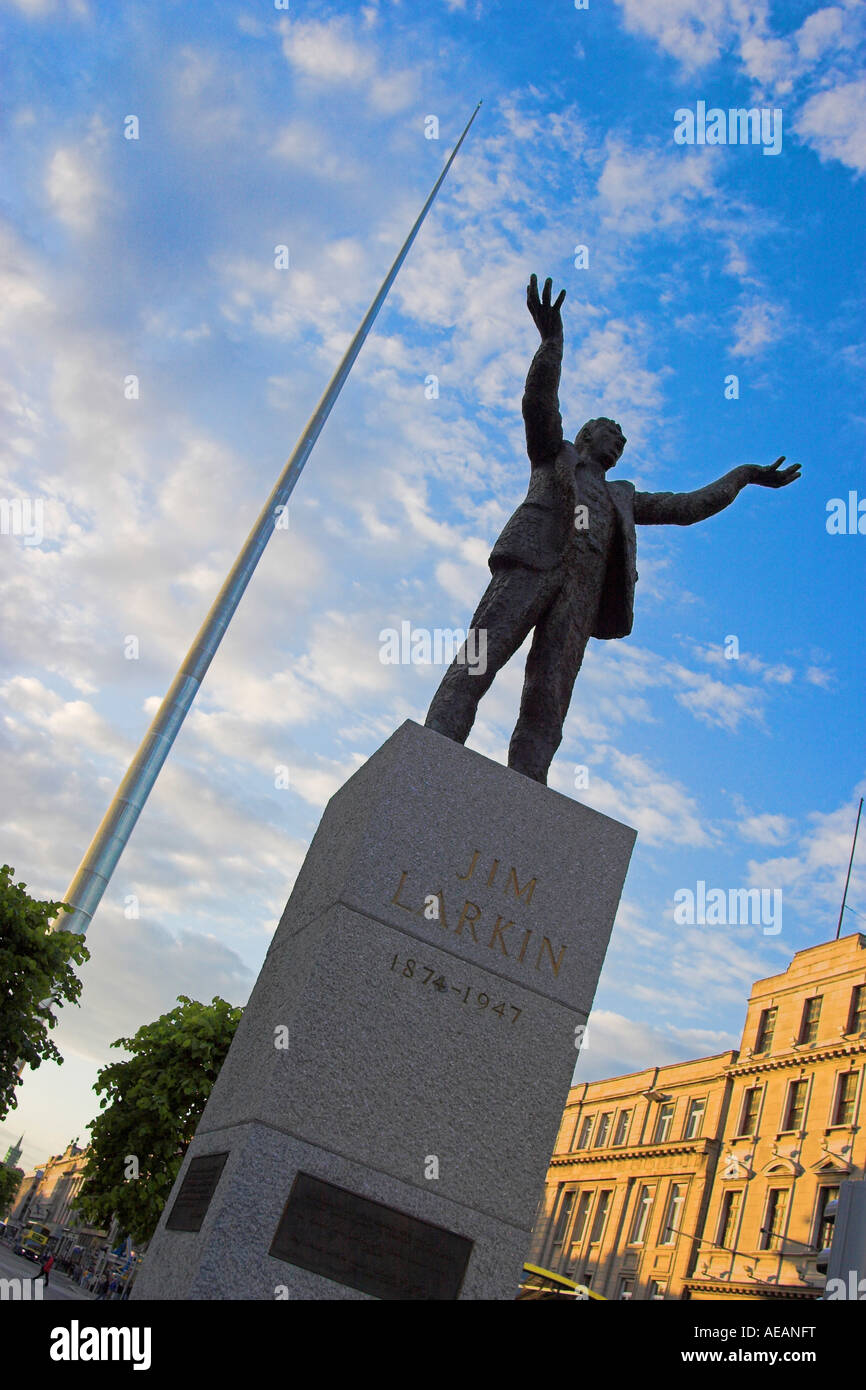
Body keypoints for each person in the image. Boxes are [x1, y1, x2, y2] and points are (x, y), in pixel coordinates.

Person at [425, 274, 801, 784]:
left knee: (548, 697)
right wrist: (551, 344)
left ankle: (526, 787)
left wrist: (745, 476)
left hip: (580, 593)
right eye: (611, 432)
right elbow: (539, 402)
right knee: (479, 658)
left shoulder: (623, 496)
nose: (619, 442)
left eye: (623, 441)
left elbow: (688, 506)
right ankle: (432, 751)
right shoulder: (554, 453)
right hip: (532, 562)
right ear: (585, 435)